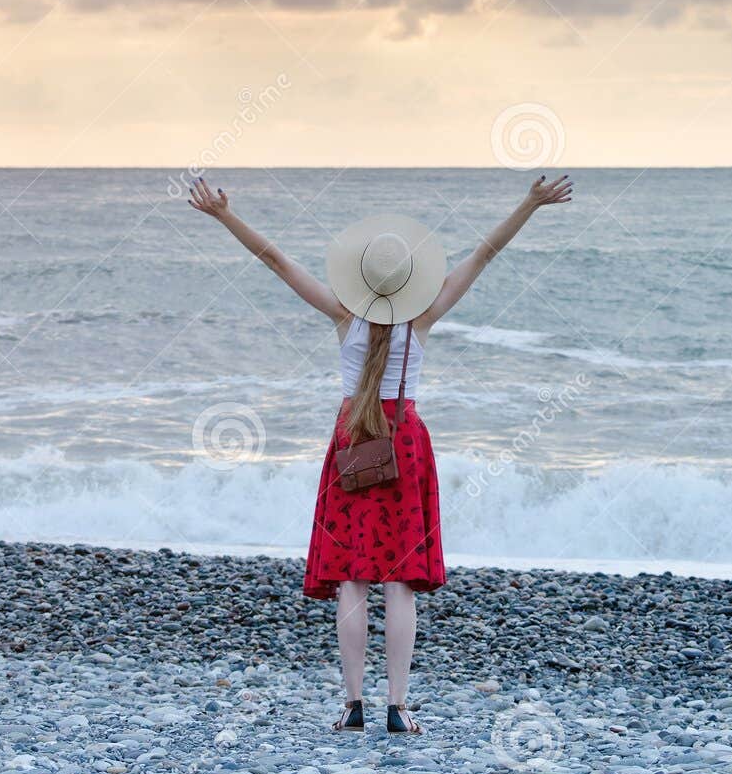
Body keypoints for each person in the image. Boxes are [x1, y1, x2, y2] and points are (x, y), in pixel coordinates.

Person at [187, 173, 574, 733]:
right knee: (399, 581)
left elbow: (275, 259)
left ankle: (352, 706)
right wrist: (531, 203)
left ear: (360, 281)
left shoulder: (345, 318)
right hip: (404, 441)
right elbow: (484, 255)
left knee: (351, 578)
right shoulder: (423, 319)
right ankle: (398, 705)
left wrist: (224, 215)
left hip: (354, 437)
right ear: (411, 283)